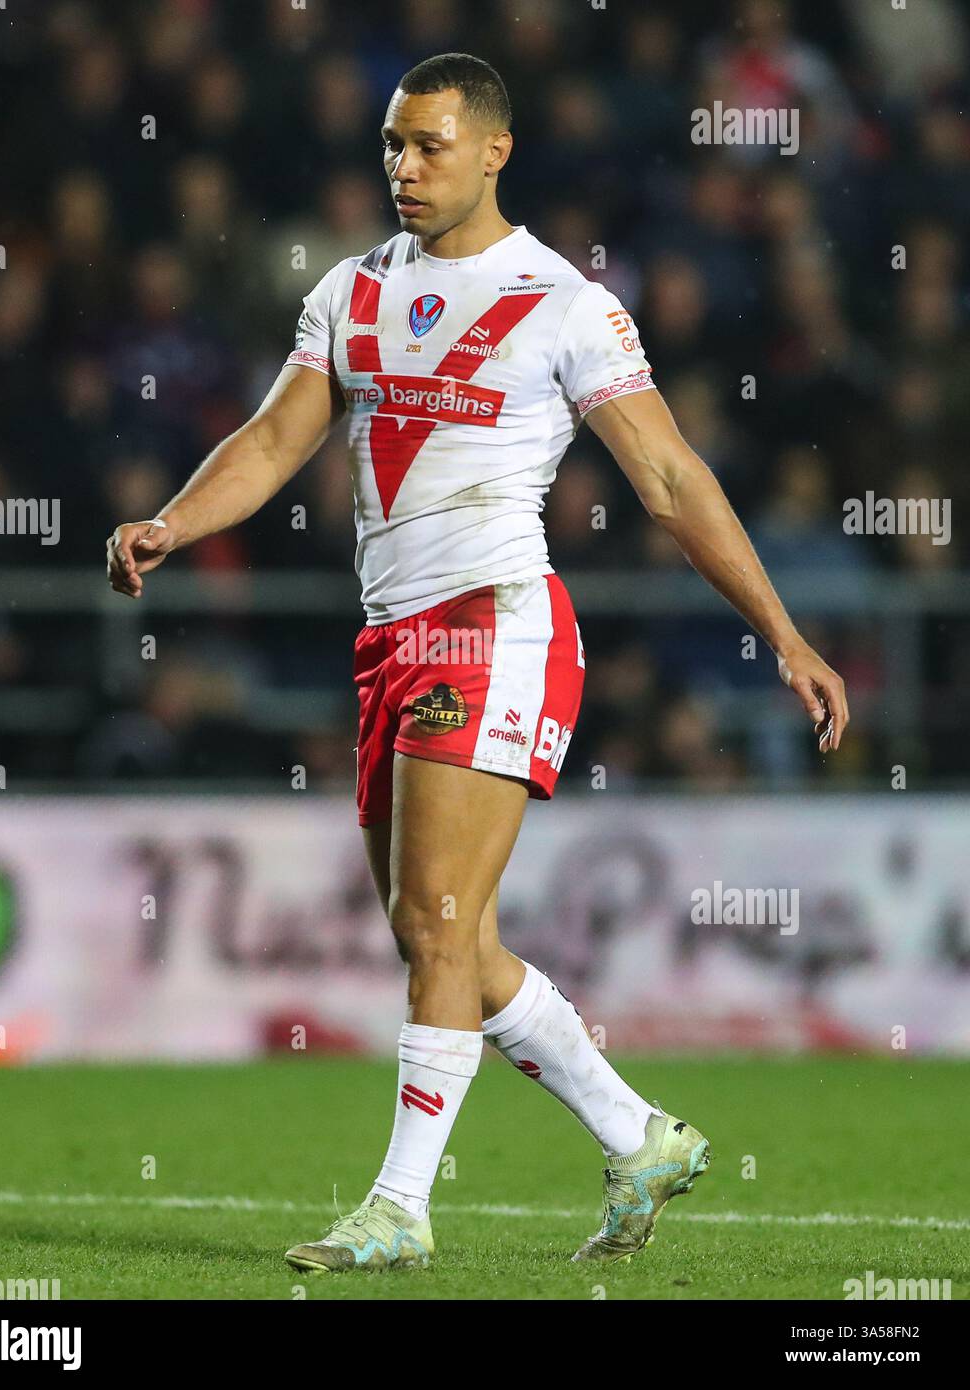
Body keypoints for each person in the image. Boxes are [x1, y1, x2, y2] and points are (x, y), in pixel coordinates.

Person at [106, 52, 848, 1272]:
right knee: (434, 933)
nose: (402, 166)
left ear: (493, 150)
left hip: (494, 623)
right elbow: (275, 436)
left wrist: (782, 632)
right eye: (392, 144)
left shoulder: (564, 302)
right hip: (389, 638)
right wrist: (172, 523)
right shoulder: (348, 292)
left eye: (428, 145)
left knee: (442, 924)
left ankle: (399, 1205)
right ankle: (634, 1131)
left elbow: (667, 477)